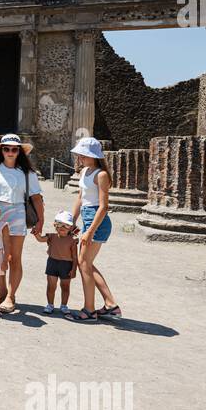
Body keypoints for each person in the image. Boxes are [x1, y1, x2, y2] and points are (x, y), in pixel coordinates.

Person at [0, 133, 44, 313]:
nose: (10, 152)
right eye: (7, 148)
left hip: (18, 214)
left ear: (19, 151)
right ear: (1, 150)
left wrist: (41, 221)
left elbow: (36, 198)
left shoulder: (28, 173)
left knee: (14, 258)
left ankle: (10, 296)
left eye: (14, 149)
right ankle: (3, 292)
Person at [69, 135, 121, 320]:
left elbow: (103, 206)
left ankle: (89, 310)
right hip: (87, 218)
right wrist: (72, 221)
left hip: (97, 222)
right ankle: (110, 304)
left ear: (94, 155)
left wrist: (89, 231)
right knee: (86, 263)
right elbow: (80, 199)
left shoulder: (101, 174)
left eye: (83, 154)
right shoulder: (84, 172)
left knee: (84, 263)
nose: (80, 158)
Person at [32, 210, 79, 315]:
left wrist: (74, 269)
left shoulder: (72, 240)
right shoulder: (51, 237)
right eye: (59, 224)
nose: (61, 228)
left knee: (65, 286)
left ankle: (64, 305)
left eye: (65, 226)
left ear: (71, 227)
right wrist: (36, 233)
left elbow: (75, 257)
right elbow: (40, 239)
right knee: (51, 286)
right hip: (52, 263)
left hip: (67, 265)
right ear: (54, 225)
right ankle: (50, 304)